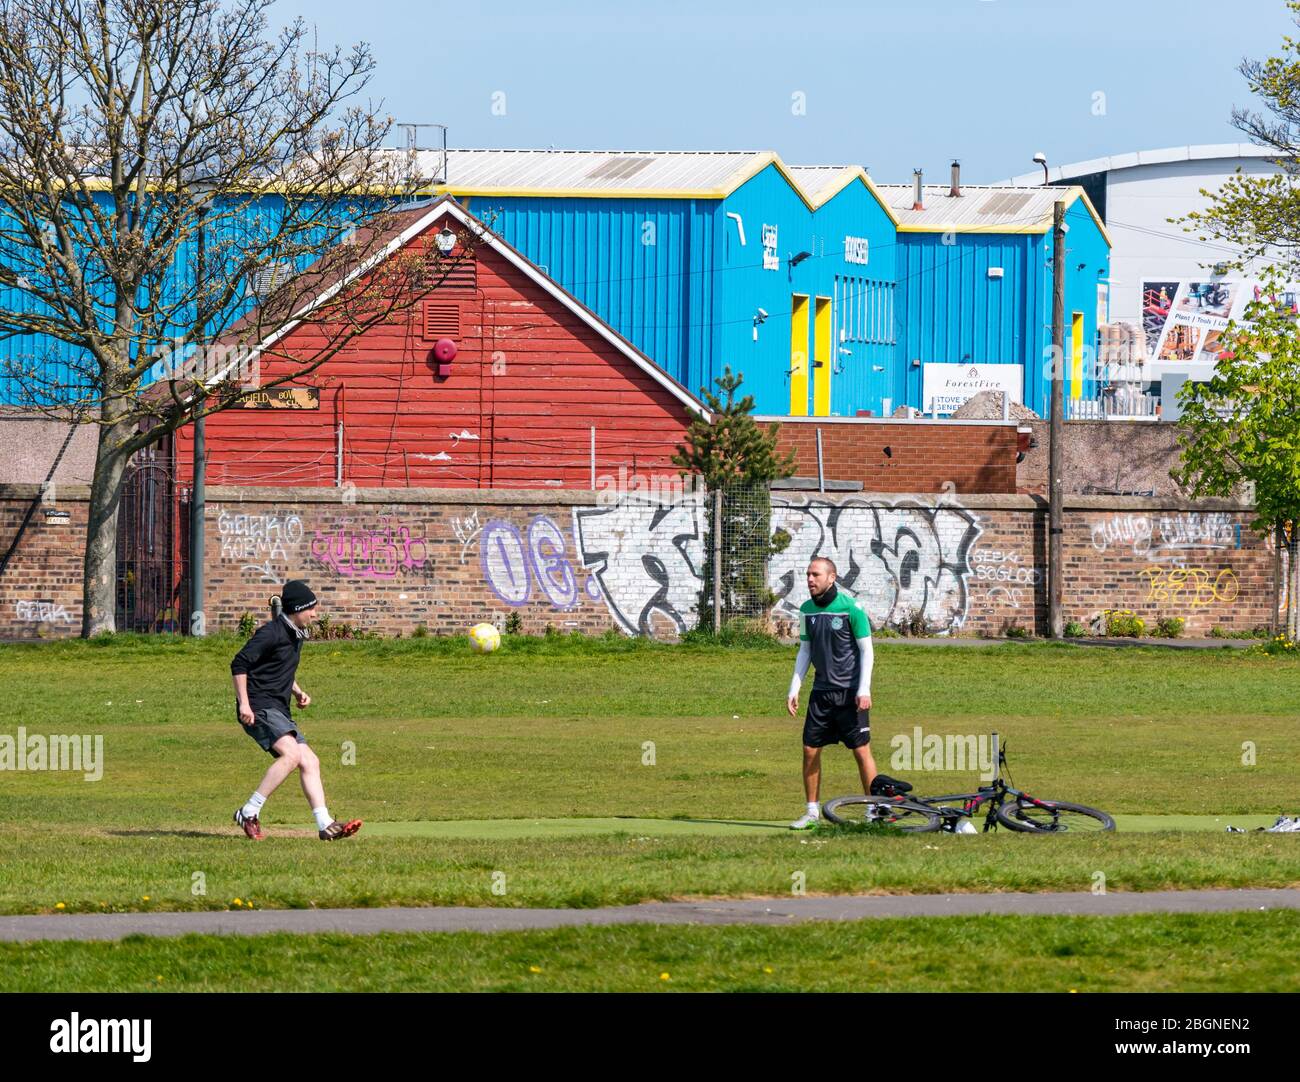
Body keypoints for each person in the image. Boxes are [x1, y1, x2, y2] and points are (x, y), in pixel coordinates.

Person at [230, 579, 361, 842]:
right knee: (290, 756)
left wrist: (297, 691)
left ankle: (325, 825)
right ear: (297, 609)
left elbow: (279, 670)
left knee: (310, 761)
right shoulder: (270, 633)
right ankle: (249, 811)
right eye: (310, 608)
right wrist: (244, 703)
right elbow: (239, 664)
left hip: (278, 708)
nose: (315, 614)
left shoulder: (296, 634)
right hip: (259, 706)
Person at [785, 557, 876, 829]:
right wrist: (794, 687)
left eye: (815, 574)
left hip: (850, 694)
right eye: (807, 575)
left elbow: (867, 651)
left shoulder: (851, 608)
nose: (810, 580)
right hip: (821, 694)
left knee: (861, 752)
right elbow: (805, 651)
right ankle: (812, 812)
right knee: (810, 750)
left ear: (832, 577)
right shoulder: (806, 610)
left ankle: (874, 812)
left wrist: (864, 689)